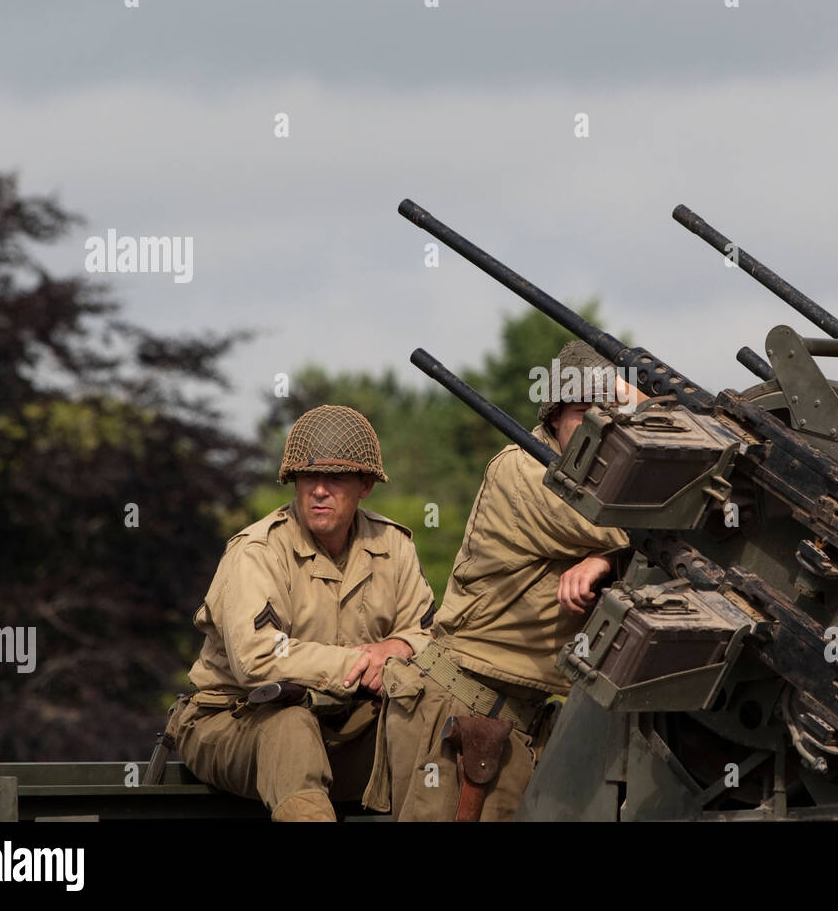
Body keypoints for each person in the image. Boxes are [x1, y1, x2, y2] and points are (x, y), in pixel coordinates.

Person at [364, 341, 635, 821]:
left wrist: (603, 561)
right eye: (581, 411)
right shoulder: (526, 469)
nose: (597, 425)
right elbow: (646, 529)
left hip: (517, 719)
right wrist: (609, 558)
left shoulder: (602, 483)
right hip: (460, 711)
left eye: (607, 413)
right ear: (554, 417)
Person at [167, 405, 435, 821]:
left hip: (340, 726)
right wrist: (363, 662)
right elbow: (257, 658)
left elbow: (434, 639)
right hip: (232, 720)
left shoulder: (394, 546)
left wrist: (397, 646)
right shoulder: (257, 551)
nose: (320, 490)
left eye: (336, 478)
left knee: (440, 724)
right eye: (309, 477)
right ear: (294, 481)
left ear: (365, 484)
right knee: (291, 726)